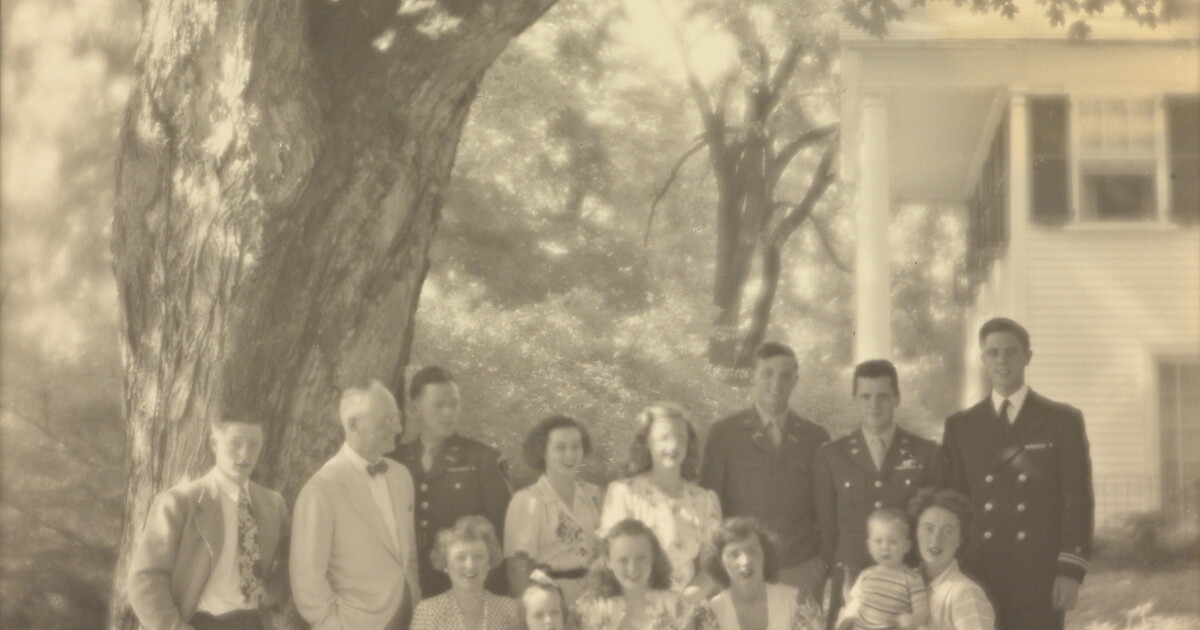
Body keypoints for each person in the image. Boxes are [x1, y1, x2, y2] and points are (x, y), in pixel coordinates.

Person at [940, 318, 1093, 630]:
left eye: (1011, 351)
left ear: (1027, 356)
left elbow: (1077, 498)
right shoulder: (961, 426)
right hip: (978, 570)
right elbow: (952, 505)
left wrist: (1070, 571)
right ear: (982, 360)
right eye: (993, 353)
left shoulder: (1061, 420)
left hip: (1039, 572)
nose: (1002, 360)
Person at [128, 412, 288, 630]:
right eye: (236, 443)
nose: (245, 454)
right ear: (214, 443)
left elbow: (293, 561)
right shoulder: (180, 502)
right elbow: (146, 577)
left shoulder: (273, 504)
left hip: (252, 622)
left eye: (254, 445)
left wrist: (271, 594)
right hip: (198, 622)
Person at [814, 360, 940, 628]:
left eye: (883, 395)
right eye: (866, 396)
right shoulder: (832, 455)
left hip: (904, 584)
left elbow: (933, 523)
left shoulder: (925, 453)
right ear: (855, 400)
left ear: (896, 398)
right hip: (850, 581)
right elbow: (827, 527)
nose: (874, 404)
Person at [701, 342, 831, 601]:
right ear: (752, 377)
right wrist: (717, 566)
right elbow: (709, 507)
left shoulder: (814, 437)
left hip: (799, 567)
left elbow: (826, 508)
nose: (776, 383)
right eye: (767, 373)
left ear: (795, 380)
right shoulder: (724, 434)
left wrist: (823, 564)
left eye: (786, 376)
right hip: (741, 567)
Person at [291, 381, 421, 630]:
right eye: (385, 419)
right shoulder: (321, 489)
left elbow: (408, 558)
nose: (397, 427)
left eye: (397, 417)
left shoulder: (401, 475)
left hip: (411, 620)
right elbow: (307, 581)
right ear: (353, 424)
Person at [390, 366, 513, 597]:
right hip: (408, 590)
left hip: (467, 587)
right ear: (415, 407)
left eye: (454, 404)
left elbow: (504, 534)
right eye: (439, 405)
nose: (449, 412)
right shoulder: (396, 461)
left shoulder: (483, 459)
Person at [600, 403, 722, 597]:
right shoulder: (625, 494)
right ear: (647, 442)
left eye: (680, 438)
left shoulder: (704, 500)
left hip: (688, 608)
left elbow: (711, 567)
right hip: (637, 606)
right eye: (664, 438)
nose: (673, 446)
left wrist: (684, 604)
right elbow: (615, 560)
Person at [505, 415, 603, 601]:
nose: (570, 455)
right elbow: (517, 570)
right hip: (549, 601)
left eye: (576, 446)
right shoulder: (527, 500)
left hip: (595, 599)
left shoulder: (595, 496)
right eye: (560, 447)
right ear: (543, 452)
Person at [696, 517, 824, 630]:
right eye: (734, 554)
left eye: (752, 551)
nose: (745, 561)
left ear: (765, 555)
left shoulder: (799, 603)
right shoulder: (711, 613)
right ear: (720, 563)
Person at [576, 518, 698, 630]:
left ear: (653, 558)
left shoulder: (678, 607)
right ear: (609, 562)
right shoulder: (593, 610)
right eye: (623, 560)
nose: (632, 568)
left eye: (641, 559)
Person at [410, 516, 520, 630]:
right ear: (445, 563)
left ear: (489, 561)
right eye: (460, 557)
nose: (470, 565)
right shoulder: (428, 612)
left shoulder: (509, 610)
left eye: (479, 556)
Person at [907, 488, 994, 630]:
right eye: (928, 528)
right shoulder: (902, 581)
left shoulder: (966, 593)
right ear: (916, 531)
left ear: (960, 539)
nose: (936, 539)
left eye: (947, 531)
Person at [836, 509, 929, 630]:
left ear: (906, 546)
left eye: (893, 542)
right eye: (878, 541)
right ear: (869, 546)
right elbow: (854, 604)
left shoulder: (912, 579)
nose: (885, 547)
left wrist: (914, 620)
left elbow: (923, 610)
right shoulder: (866, 575)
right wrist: (845, 617)